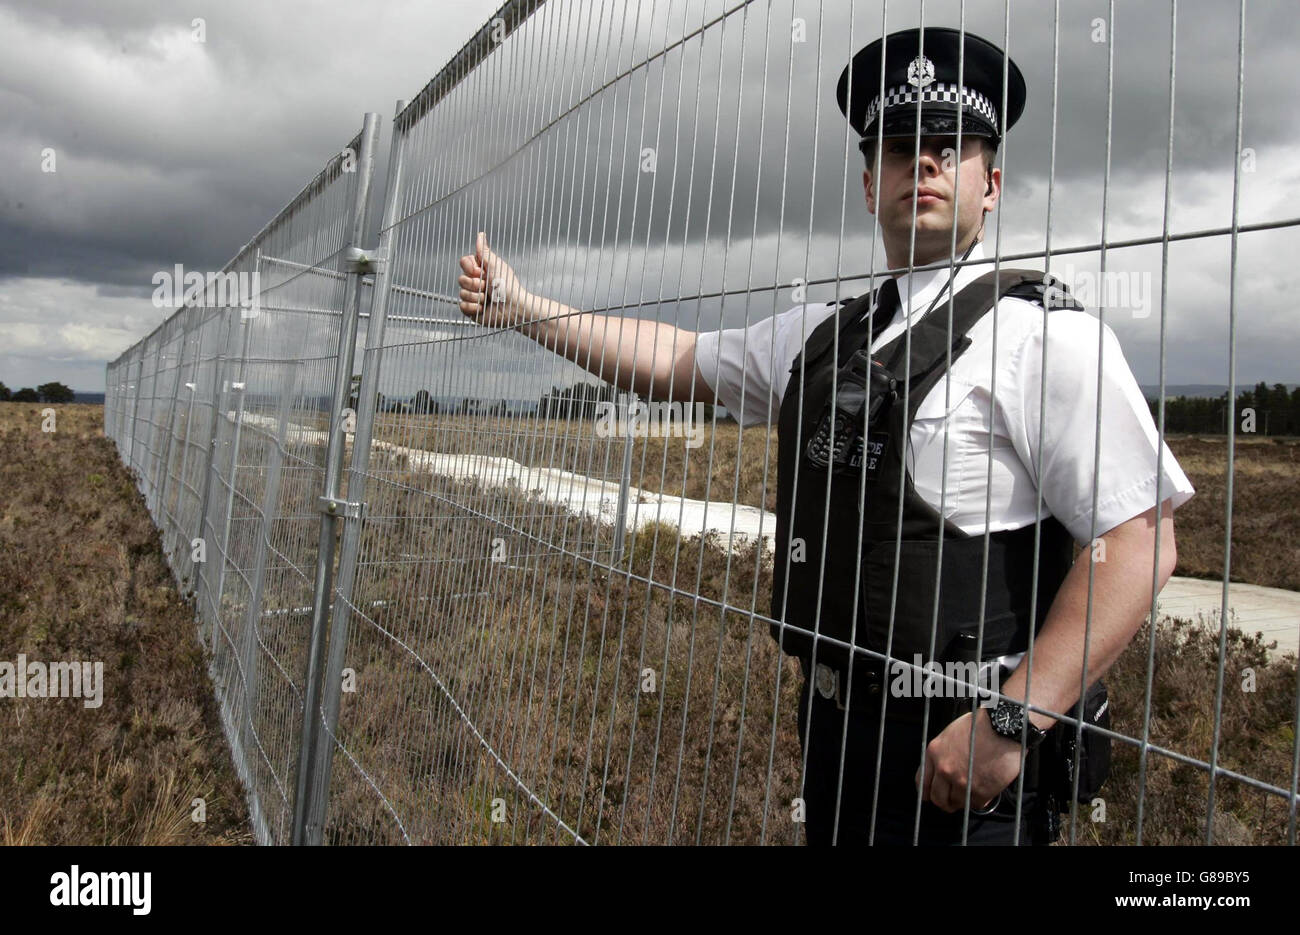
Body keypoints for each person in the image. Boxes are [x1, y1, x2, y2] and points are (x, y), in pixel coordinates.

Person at [457, 26, 1195, 846]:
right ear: (866, 183)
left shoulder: (1045, 340)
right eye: (895, 146)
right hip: (837, 746)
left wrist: (1009, 723)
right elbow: (673, 359)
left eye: (948, 147)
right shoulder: (820, 340)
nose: (921, 163)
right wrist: (523, 310)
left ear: (992, 183)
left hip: (969, 769)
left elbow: (1138, 540)